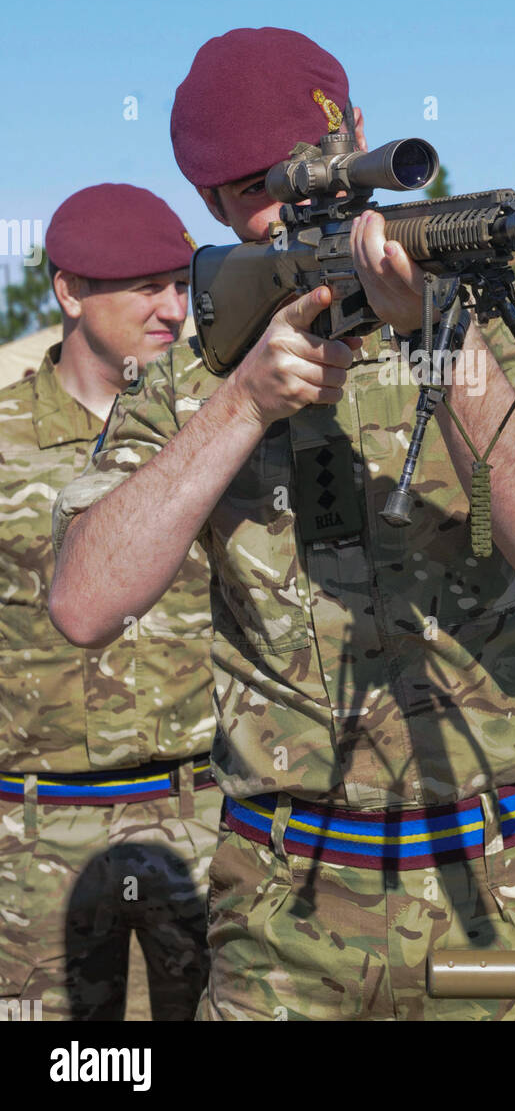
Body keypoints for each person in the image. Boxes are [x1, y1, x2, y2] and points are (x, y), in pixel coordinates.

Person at [49, 27, 515, 1022]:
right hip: (289, 922)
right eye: (247, 194)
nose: (284, 207)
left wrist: (439, 338)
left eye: (309, 170)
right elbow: (83, 600)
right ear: (208, 206)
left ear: (355, 138)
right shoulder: (193, 368)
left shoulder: (492, 311)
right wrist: (239, 407)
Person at [0, 184, 219, 1021]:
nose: (173, 310)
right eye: (146, 287)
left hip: (202, 820)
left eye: (181, 285)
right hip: (33, 833)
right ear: (69, 292)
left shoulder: (215, 433)